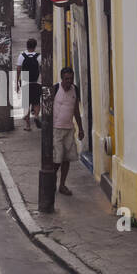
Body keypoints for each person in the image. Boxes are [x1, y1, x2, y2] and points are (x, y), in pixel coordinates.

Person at [51, 66, 84, 195]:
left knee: (67, 159)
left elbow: (76, 110)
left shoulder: (74, 89)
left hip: (69, 129)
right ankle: (51, 183)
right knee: (57, 160)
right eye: (66, 79)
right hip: (56, 130)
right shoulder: (55, 89)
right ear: (62, 79)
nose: (69, 81)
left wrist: (80, 128)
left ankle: (62, 185)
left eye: (71, 79)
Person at [15, 37, 41, 131]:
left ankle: (28, 126)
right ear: (35, 46)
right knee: (36, 102)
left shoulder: (22, 56)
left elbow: (18, 70)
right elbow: (42, 69)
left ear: (27, 46)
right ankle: (37, 116)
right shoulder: (38, 56)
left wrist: (17, 83)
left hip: (25, 81)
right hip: (36, 82)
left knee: (26, 104)